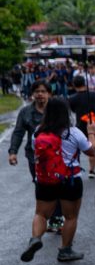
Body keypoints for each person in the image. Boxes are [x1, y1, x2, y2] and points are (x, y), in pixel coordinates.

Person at [19, 96, 95, 263]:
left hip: (46, 180)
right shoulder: (73, 132)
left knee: (41, 213)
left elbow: (35, 151)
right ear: (67, 112)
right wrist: (92, 133)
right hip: (70, 180)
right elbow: (92, 152)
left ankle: (35, 238)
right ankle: (65, 250)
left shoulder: (38, 132)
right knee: (70, 216)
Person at [9, 80, 66, 233]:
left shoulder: (56, 110)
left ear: (49, 93)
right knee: (42, 187)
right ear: (33, 94)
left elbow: (68, 129)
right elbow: (19, 132)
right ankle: (45, 216)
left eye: (43, 91)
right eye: (37, 91)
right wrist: (13, 152)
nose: (40, 94)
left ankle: (57, 218)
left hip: (56, 157)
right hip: (35, 157)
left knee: (58, 186)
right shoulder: (25, 112)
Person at [68, 74, 95, 178]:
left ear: (74, 85)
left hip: (80, 126)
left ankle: (76, 167)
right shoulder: (93, 94)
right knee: (94, 147)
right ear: (85, 83)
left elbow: (73, 110)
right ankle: (91, 170)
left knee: (76, 148)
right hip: (93, 124)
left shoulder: (72, 98)